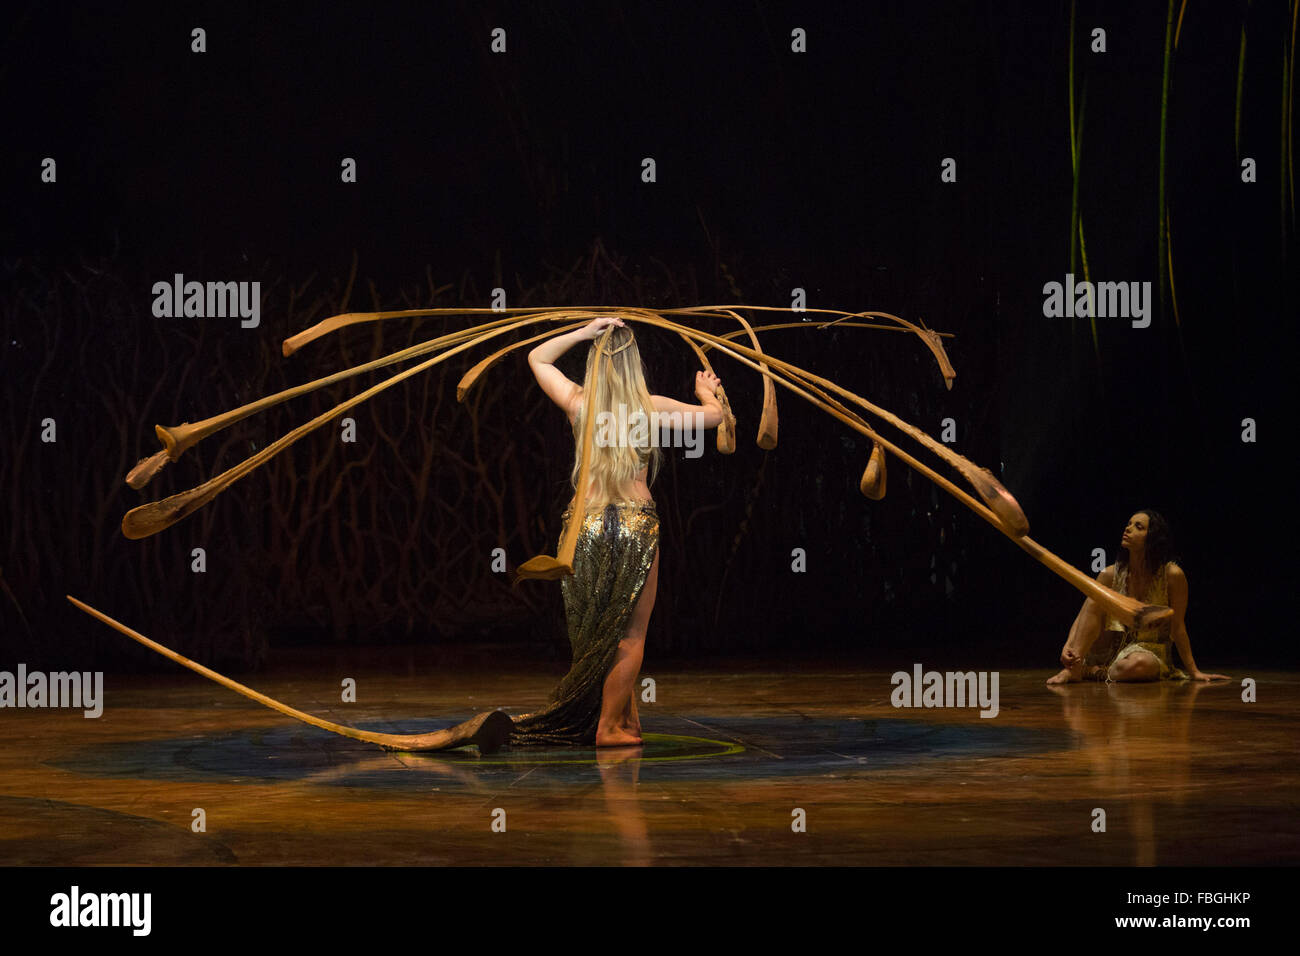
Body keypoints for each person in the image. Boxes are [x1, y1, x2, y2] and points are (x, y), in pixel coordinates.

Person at [508, 317, 724, 746]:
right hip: (633, 524)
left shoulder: (578, 402)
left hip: (584, 525)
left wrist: (585, 330)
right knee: (629, 633)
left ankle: (620, 720)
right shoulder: (651, 407)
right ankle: (608, 727)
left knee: (595, 630)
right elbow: (715, 418)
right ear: (634, 365)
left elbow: (536, 356)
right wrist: (706, 394)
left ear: (594, 363)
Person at [1047, 510, 1228, 684]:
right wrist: (1069, 646)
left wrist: (1194, 671)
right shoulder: (1110, 573)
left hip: (1147, 650)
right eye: (1129, 524)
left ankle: (1091, 671)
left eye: (1138, 526)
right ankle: (1074, 670)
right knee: (1096, 595)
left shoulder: (1172, 575)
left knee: (1140, 665)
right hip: (1108, 643)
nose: (1128, 528)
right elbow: (1084, 613)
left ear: (1153, 538)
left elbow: (1178, 626)